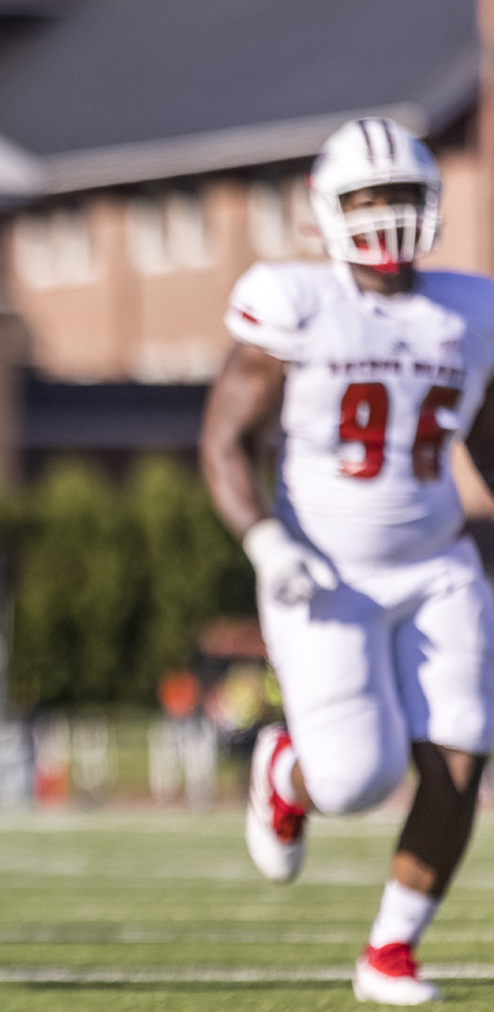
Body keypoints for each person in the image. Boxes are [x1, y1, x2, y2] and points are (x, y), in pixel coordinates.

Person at [201, 117, 494, 1006]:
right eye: (369, 199)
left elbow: (484, 441)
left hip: (437, 559)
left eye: (402, 197)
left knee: (463, 749)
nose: (387, 216)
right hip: (324, 571)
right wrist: (264, 540)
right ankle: (287, 770)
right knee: (357, 779)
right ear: (325, 210)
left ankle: (390, 952)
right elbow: (224, 442)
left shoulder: (469, 310)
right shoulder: (294, 301)